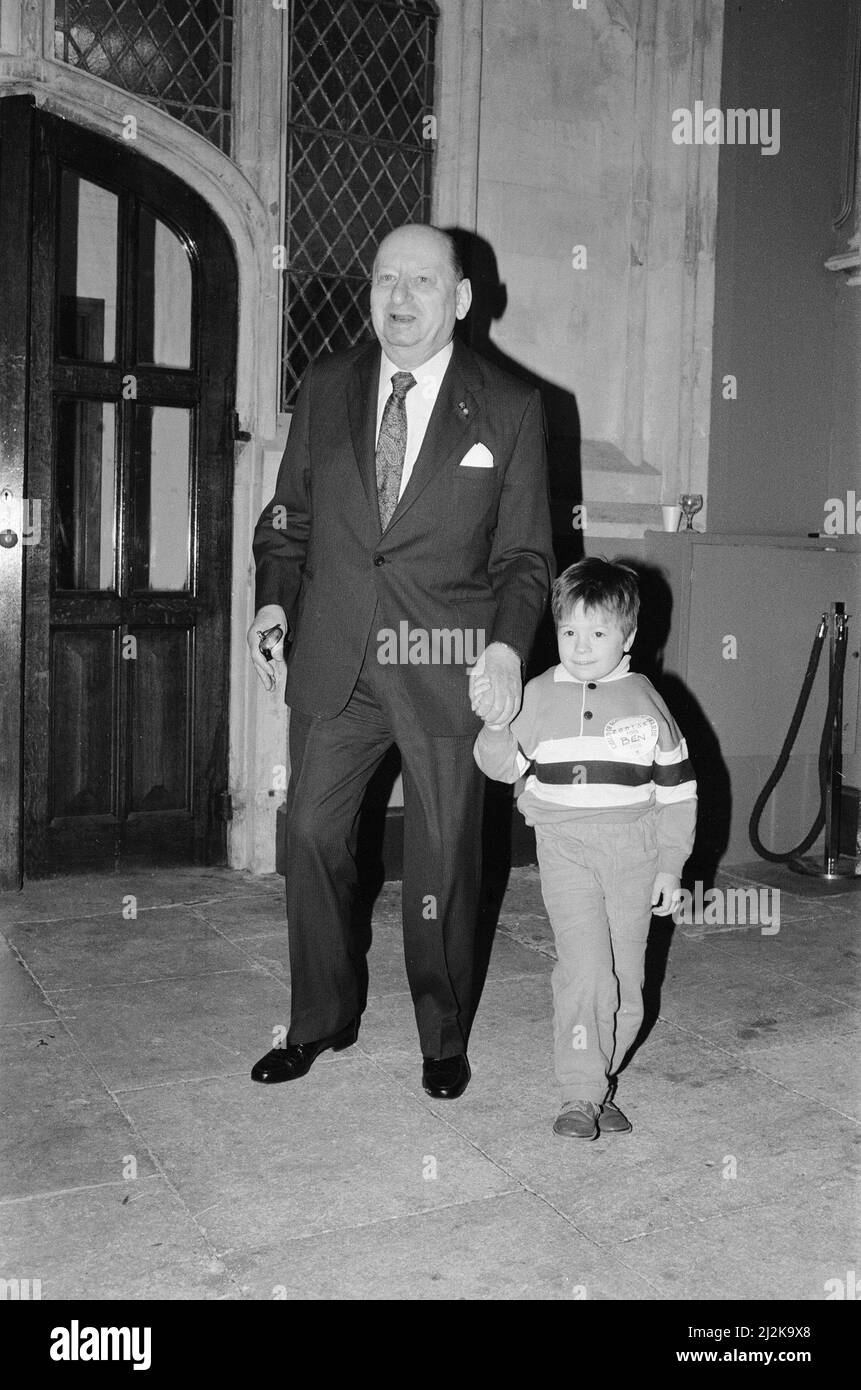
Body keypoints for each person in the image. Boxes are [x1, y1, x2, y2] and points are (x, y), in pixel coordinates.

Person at [248, 223, 554, 1099]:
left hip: (446, 664)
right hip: (337, 658)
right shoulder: (328, 384)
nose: (401, 298)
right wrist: (273, 600)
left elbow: (526, 558)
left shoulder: (510, 405)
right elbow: (288, 519)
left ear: (459, 299)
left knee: (445, 857)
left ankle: (442, 1034)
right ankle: (322, 1018)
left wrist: (503, 645)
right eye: (386, 278)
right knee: (307, 830)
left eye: (423, 281)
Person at [472, 557, 697, 1137]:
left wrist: (671, 867)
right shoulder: (539, 694)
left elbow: (678, 792)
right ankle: (578, 1093)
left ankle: (601, 1081)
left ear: (628, 636)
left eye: (598, 632)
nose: (581, 645)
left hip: (637, 853)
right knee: (587, 971)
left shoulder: (648, 699)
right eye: (569, 631)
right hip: (566, 848)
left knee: (629, 983)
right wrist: (497, 725)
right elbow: (502, 768)